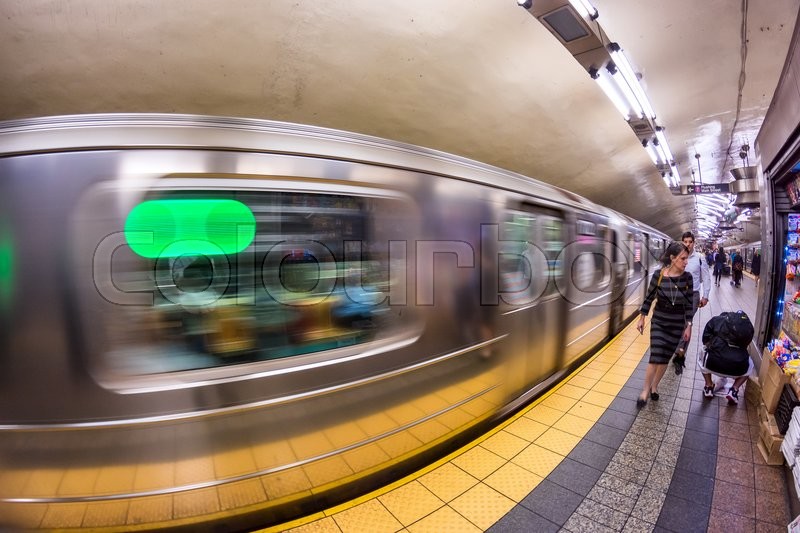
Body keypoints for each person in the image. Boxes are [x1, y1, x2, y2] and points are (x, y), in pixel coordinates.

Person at [636, 241, 694, 407]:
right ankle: (645, 391)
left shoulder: (687, 278)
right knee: (655, 356)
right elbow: (649, 297)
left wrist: (688, 325)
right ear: (673, 258)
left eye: (687, 258)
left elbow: (689, 304)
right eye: (682, 258)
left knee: (664, 359)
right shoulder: (658, 275)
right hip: (659, 321)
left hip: (676, 324)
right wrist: (642, 317)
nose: (685, 262)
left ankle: (655, 387)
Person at [671, 231, 711, 374]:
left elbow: (706, 277)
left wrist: (705, 296)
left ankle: (679, 355)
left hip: (693, 295)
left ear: (694, 242)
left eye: (690, 242)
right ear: (682, 242)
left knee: (687, 323)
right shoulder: (677, 256)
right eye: (685, 242)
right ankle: (679, 352)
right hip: (678, 293)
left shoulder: (700, 258)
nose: (688, 244)